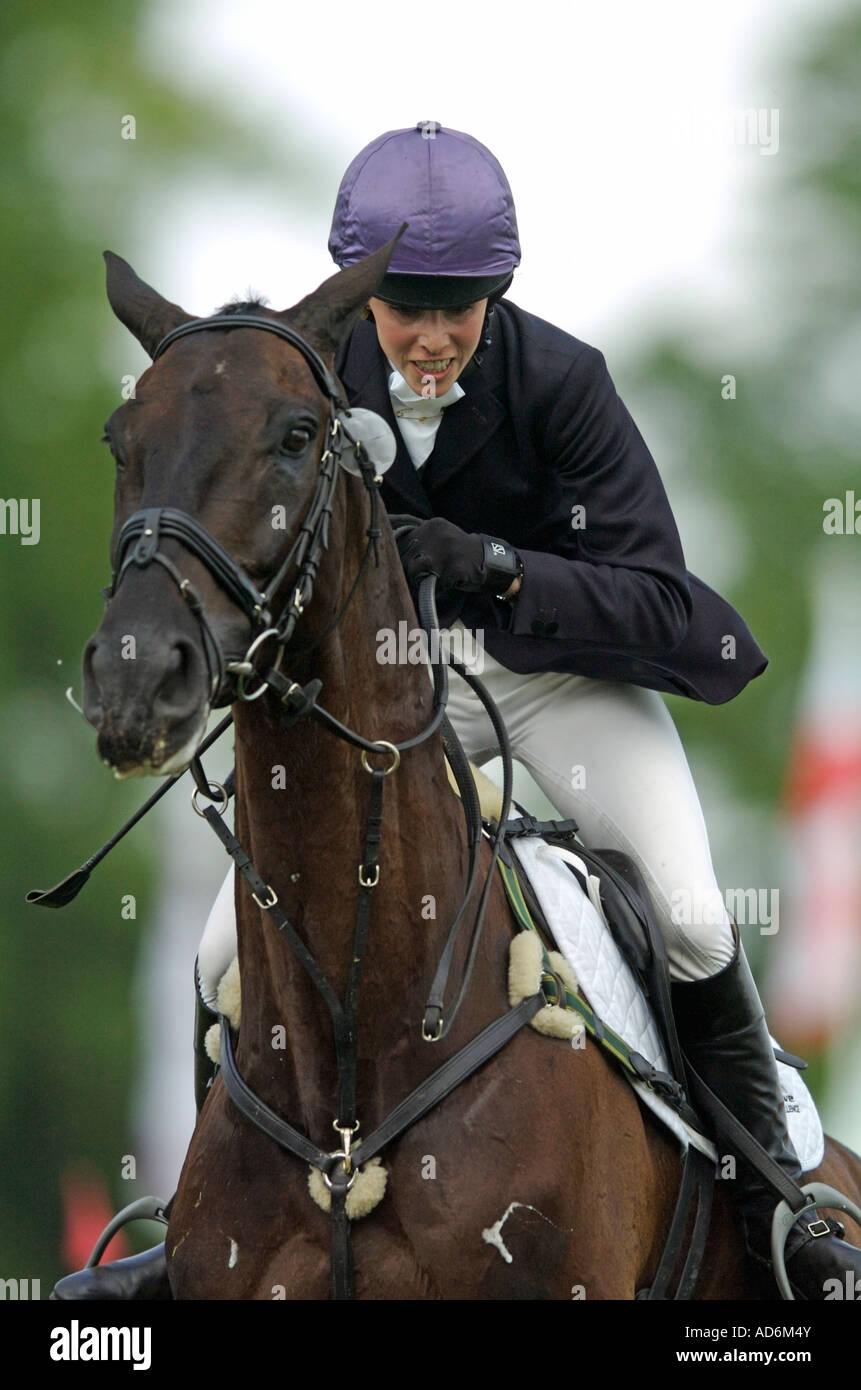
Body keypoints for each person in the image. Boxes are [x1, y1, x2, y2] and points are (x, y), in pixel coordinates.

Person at [54, 120, 861, 1301]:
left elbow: (669, 604)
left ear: (499, 296)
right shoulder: (308, 387)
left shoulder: (562, 385)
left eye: (458, 306)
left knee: (690, 912)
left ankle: (790, 1214)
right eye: (407, 308)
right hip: (394, 697)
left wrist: (498, 564)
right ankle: (193, 1239)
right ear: (362, 304)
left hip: (555, 681)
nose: (430, 336)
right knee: (219, 950)